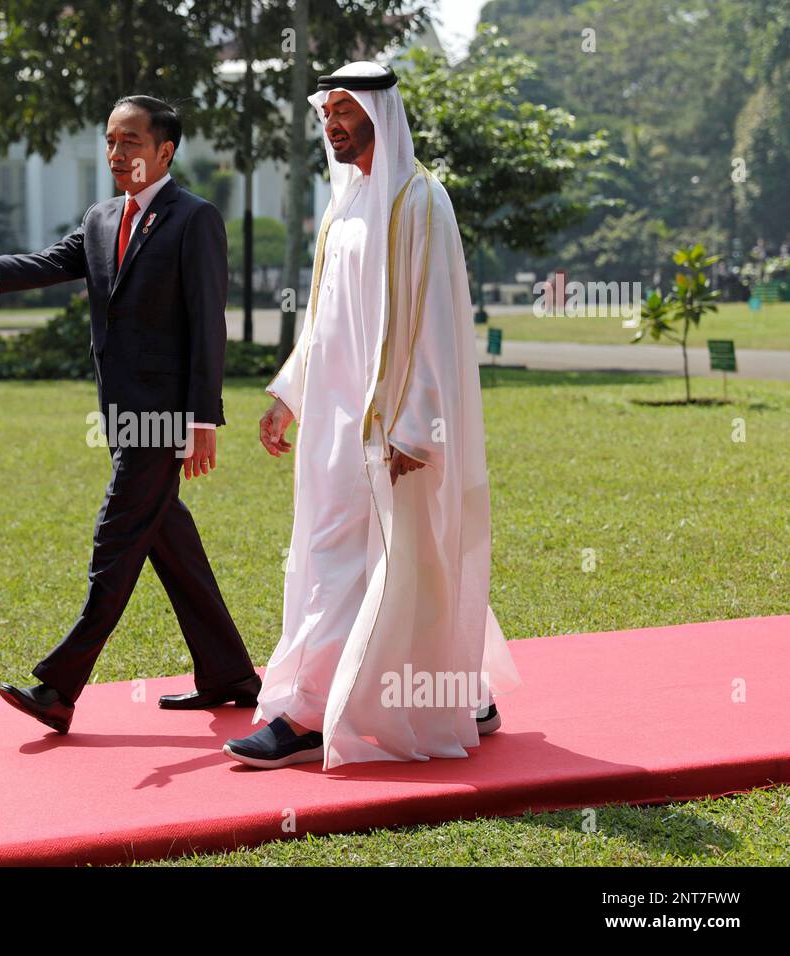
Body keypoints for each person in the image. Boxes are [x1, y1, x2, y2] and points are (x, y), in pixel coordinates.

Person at [223, 61, 522, 770]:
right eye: (326, 111)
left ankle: (301, 714)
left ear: (380, 115)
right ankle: (463, 692)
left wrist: (417, 427)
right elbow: (328, 319)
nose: (332, 122)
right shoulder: (344, 205)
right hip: (333, 428)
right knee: (383, 557)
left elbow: (438, 326)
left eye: (345, 109)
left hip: (392, 429)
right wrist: (288, 394)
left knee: (365, 560)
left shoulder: (420, 202)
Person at [0, 95, 260, 735]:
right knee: (168, 543)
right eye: (111, 142)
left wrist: (203, 420)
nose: (117, 155)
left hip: (166, 418)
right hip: (122, 413)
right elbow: (53, 263)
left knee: (115, 541)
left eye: (131, 143)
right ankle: (230, 675)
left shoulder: (194, 219)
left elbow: (208, 325)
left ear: (164, 152)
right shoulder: (99, 219)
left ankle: (59, 688)